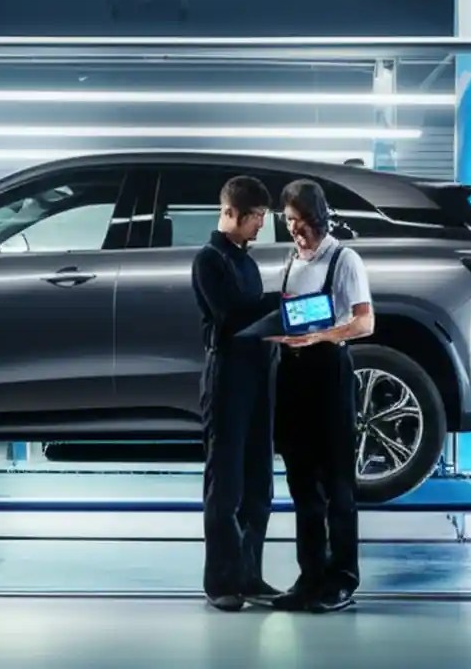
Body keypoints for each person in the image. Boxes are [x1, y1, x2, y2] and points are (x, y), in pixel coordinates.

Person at [267, 178, 375, 613]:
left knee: (336, 484)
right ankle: (309, 575)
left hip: (329, 370)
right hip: (293, 375)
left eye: (301, 221)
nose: (295, 230)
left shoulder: (345, 260)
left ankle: (342, 577)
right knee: (301, 483)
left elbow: (365, 323)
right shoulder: (290, 262)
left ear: (318, 217)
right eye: (289, 222)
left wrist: (321, 336)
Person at [190, 175, 283, 612]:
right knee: (225, 484)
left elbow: (256, 314)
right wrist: (279, 304)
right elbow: (229, 316)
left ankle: (250, 575)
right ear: (232, 214)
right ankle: (222, 583)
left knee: (259, 482)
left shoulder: (247, 261)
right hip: (226, 374)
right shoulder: (208, 261)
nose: (261, 226)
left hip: (258, 372)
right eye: (256, 218)